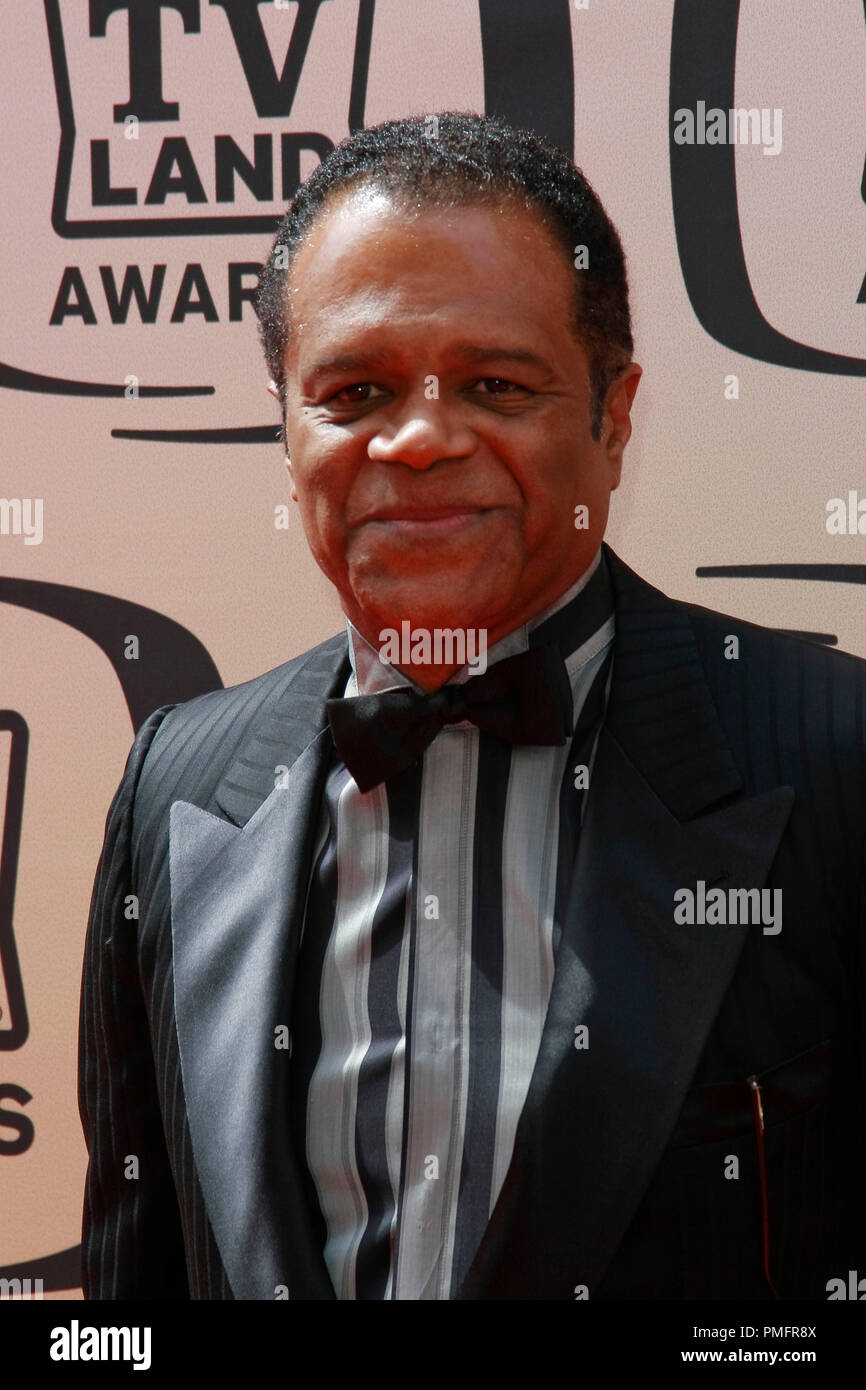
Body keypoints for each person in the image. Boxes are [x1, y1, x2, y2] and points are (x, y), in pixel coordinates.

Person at [78, 111, 866, 1301]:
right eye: (352, 391)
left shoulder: (829, 749)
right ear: (285, 435)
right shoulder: (176, 786)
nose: (417, 438)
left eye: (494, 383)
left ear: (612, 416)